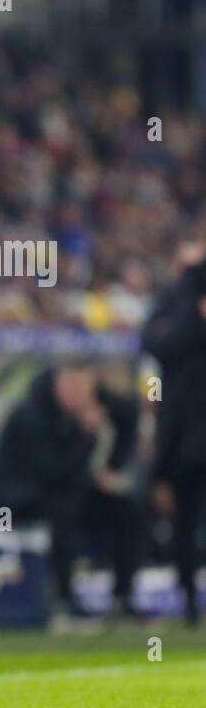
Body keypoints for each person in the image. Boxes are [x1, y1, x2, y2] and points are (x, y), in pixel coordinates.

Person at [0, 363, 140, 617]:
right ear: (58, 384)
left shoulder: (94, 403)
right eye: (72, 387)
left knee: (125, 510)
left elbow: (131, 415)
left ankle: (123, 597)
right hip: (13, 499)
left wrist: (113, 466)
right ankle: (65, 599)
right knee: (63, 510)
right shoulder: (30, 414)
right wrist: (87, 436)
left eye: (85, 388)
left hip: (66, 491)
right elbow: (51, 472)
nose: (79, 395)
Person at [142, 254, 206, 623]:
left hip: (181, 438)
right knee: (184, 521)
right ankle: (189, 599)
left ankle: (190, 600)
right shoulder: (173, 312)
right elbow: (153, 347)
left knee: (187, 522)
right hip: (183, 440)